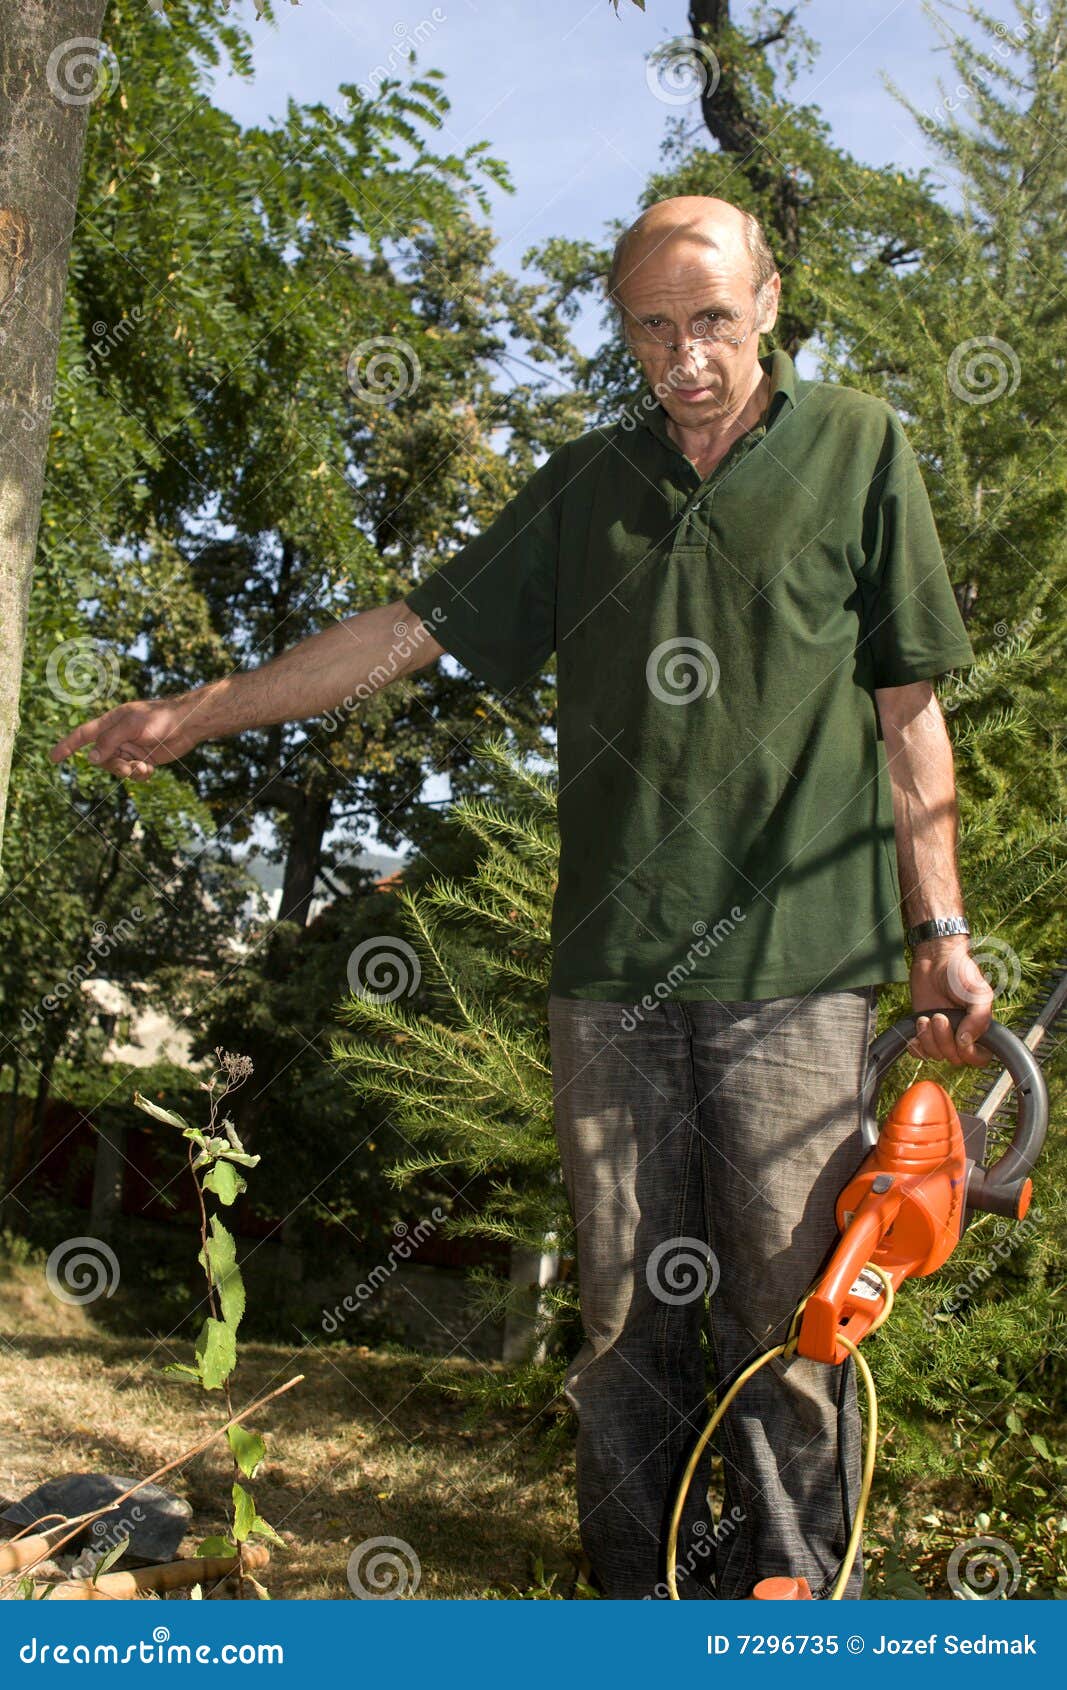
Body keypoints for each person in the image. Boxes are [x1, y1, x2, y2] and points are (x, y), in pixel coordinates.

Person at [51, 194, 994, 1601]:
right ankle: (636, 1620)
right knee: (623, 1336)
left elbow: (910, 711)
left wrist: (941, 935)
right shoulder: (582, 486)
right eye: (653, 329)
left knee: (797, 1326)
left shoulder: (860, 450)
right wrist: (205, 710)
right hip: (610, 979)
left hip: (800, 971)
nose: (684, 356)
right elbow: (407, 632)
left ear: (771, 301)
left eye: (713, 321)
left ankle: (800, 1624)